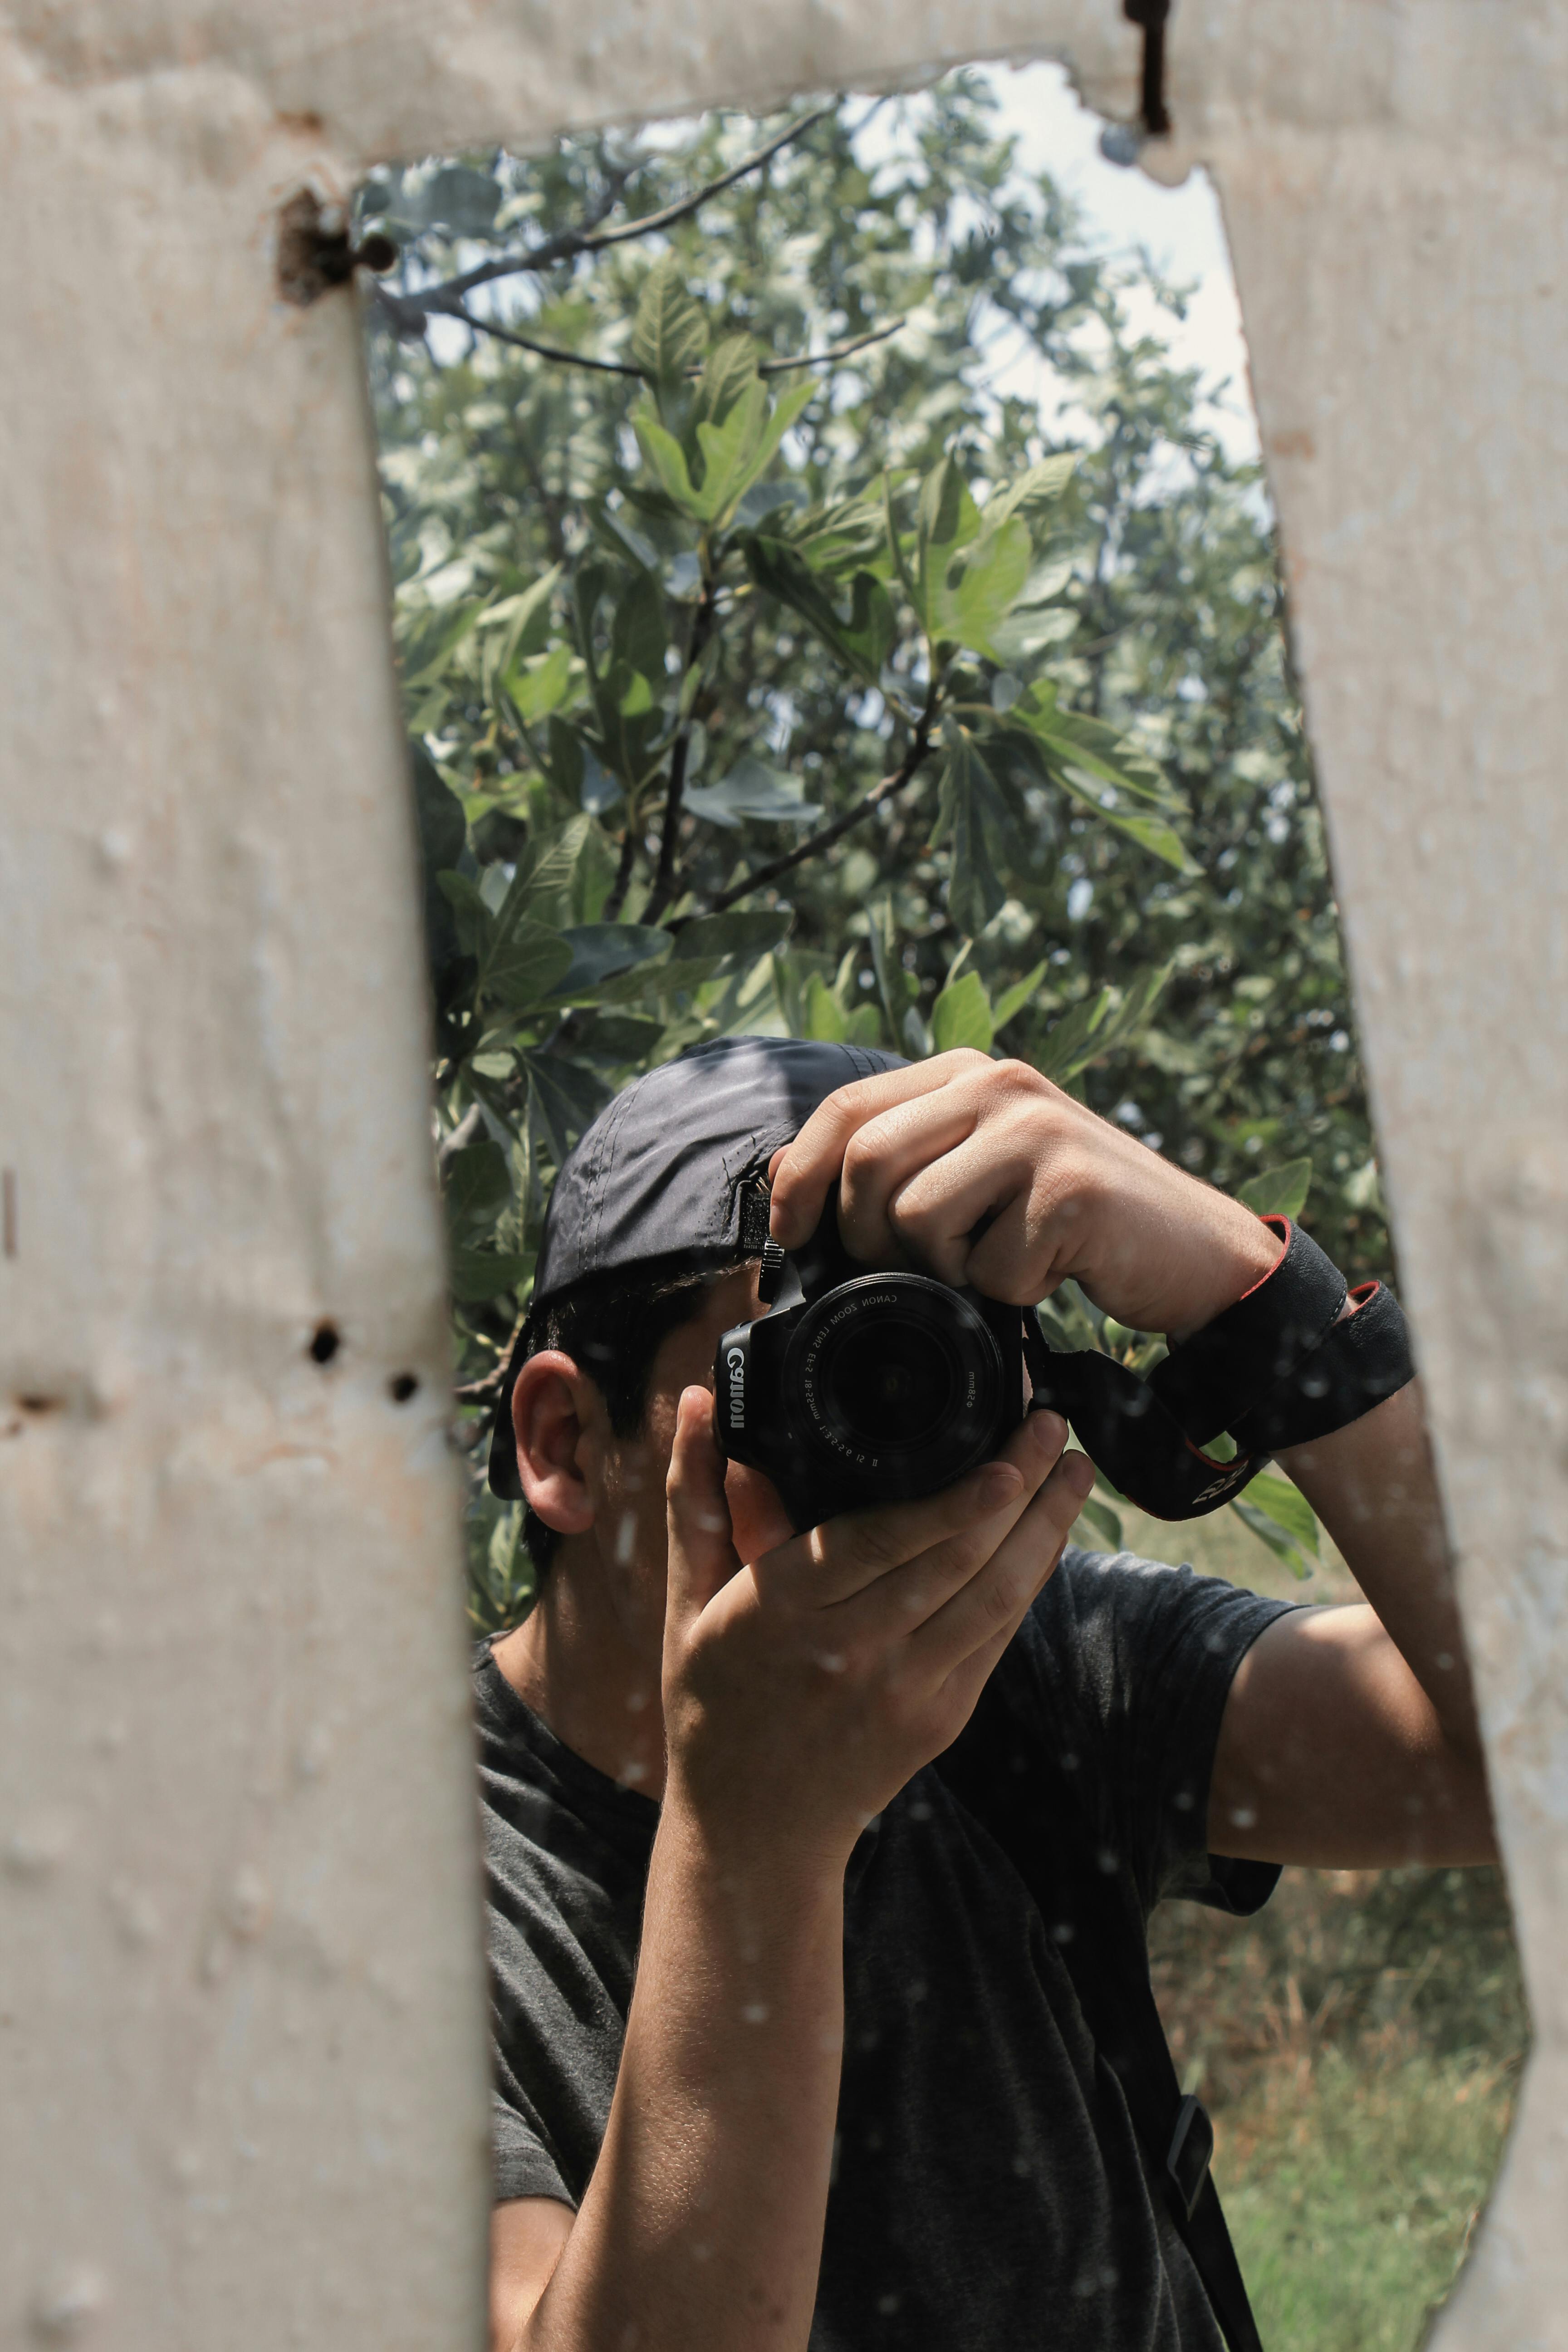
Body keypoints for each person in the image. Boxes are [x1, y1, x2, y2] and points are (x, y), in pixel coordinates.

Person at [476, 1034, 1494, 2352]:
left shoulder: (1039, 1672)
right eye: (811, 1359)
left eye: (930, 1351)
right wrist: (753, 1837)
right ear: (565, 1442)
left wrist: (1266, 1304)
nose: (888, 1431)